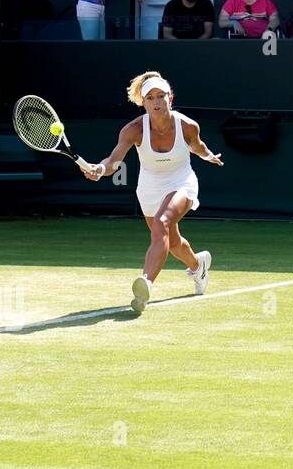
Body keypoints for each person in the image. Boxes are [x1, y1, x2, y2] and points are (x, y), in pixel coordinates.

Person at [83, 71, 222, 312]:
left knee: (163, 221)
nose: (156, 101)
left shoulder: (187, 126)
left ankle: (145, 283)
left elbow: (199, 147)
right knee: (171, 240)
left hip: (182, 181)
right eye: (150, 98)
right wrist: (100, 168)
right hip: (149, 186)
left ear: (171, 98)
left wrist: (209, 156)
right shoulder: (133, 129)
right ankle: (198, 265)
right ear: (143, 102)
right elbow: (113, 162)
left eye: (161, 96)